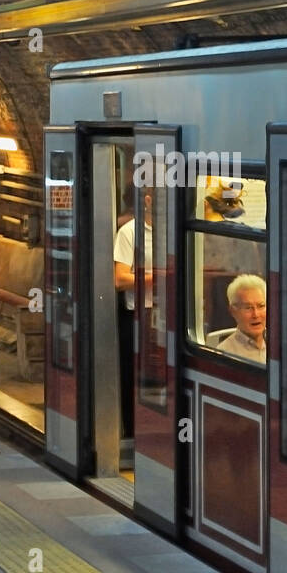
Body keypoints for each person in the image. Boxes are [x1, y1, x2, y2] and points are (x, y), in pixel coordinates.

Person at [113, 187, 153, 440]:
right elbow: (119, 279)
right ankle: (132, 433)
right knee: (134, 377)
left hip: (168, 315)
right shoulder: (129, 232)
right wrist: (157, 278)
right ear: (148, 201)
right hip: (139, 315)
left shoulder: (176, 229)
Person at [217, 274, 266, 364]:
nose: (256, 314)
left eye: (261, 306)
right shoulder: (224, 353)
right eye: (248, 307)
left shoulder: (278, 343)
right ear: (233, 311)